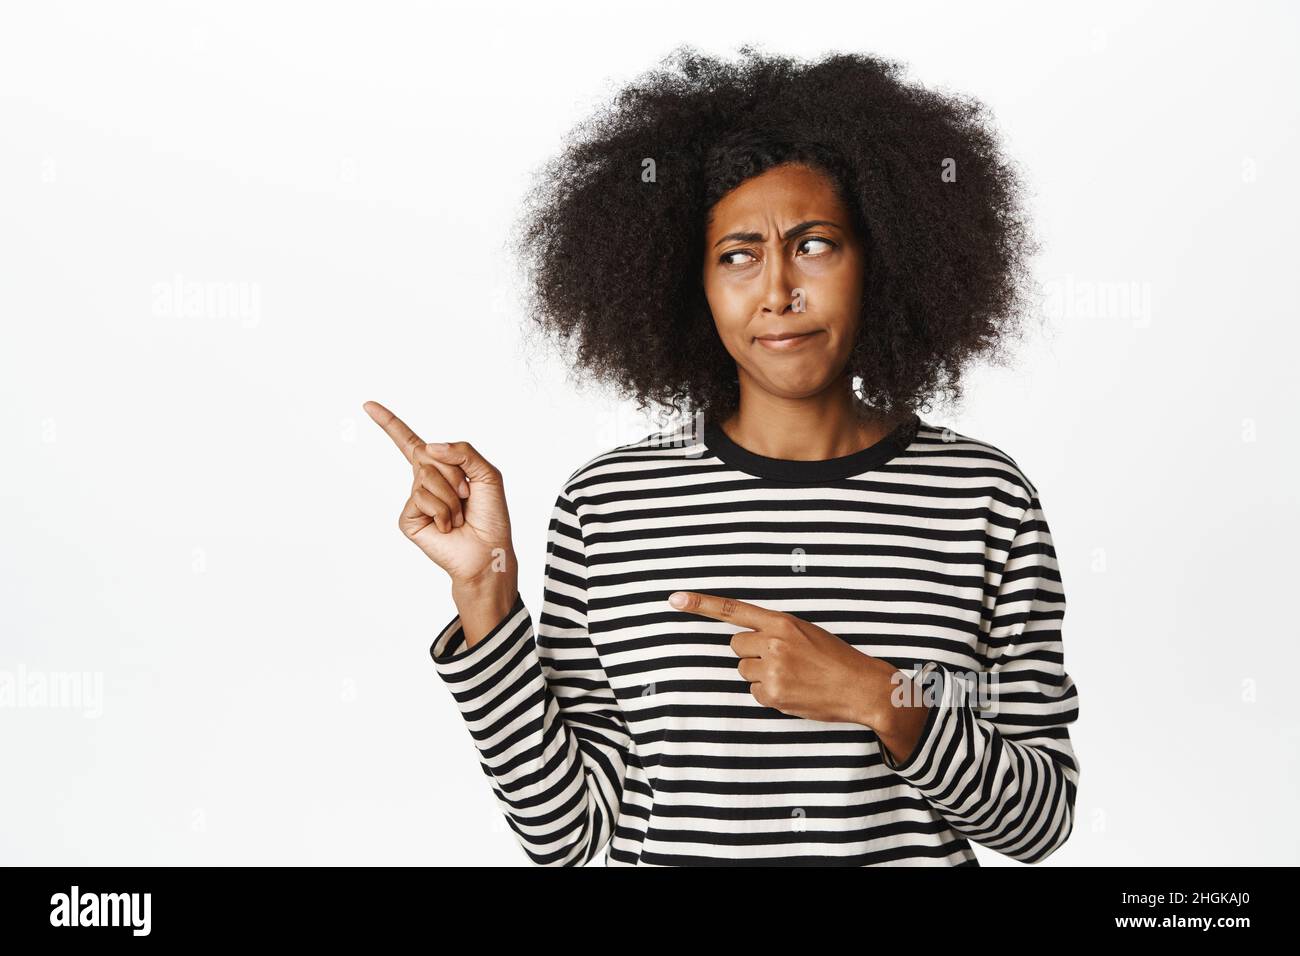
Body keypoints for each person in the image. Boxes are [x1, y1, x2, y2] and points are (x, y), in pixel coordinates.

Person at [365, 46, 1080, 866]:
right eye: (738, 256)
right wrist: (487, 598)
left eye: (814, 245)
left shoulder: (982, 499)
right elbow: (566, 836)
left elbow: (1040, 822)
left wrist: (882, 699)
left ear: (879, 258)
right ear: (689, 285)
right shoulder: (610, 506)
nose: (777, 289)